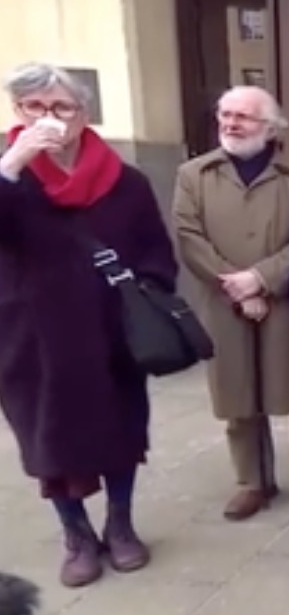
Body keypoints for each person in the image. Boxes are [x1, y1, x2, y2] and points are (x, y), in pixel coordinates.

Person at [0, 62, 180, 587]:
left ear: (83, 113)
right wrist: (12, 164)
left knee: (120, 431)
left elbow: (155, 251)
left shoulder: (125, 180)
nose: (49, 117)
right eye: (35, 107)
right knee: (48, 441)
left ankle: (120, 526)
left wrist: (144, 297)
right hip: (31, 337)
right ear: (18, 111)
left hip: (109, 332)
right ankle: (76, 536)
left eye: (62, 106)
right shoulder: (9, 173)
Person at [172, 86, 289, 522]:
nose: (231, 123)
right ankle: (252, 482)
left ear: (270, 127)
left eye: (243, 116)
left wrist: (261, 280)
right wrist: (235, 286)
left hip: (284, 299)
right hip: (222, 300)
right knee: (236, 392)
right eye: (225, 114)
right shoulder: (194, 175)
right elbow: (189, 237)